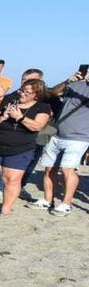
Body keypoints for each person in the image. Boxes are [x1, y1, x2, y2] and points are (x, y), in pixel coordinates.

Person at [0, 78, 52, 214]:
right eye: (21, 90)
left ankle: (6, 208)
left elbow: (37, 126)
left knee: (12, 180)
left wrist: (20, 117)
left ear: (35, 94)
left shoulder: (42, 107)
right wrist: (3, 117)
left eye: (27, 92)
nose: (22, 94)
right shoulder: (8, 102)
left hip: (20, 149)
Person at [34, 69, 89, 215]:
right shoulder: (75, 85)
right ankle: (47, 200)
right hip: (57, 134)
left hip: (79, 137)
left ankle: (66, 204)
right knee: (49, 168)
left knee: (67, 169)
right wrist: (67, 81)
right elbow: (51, 93)